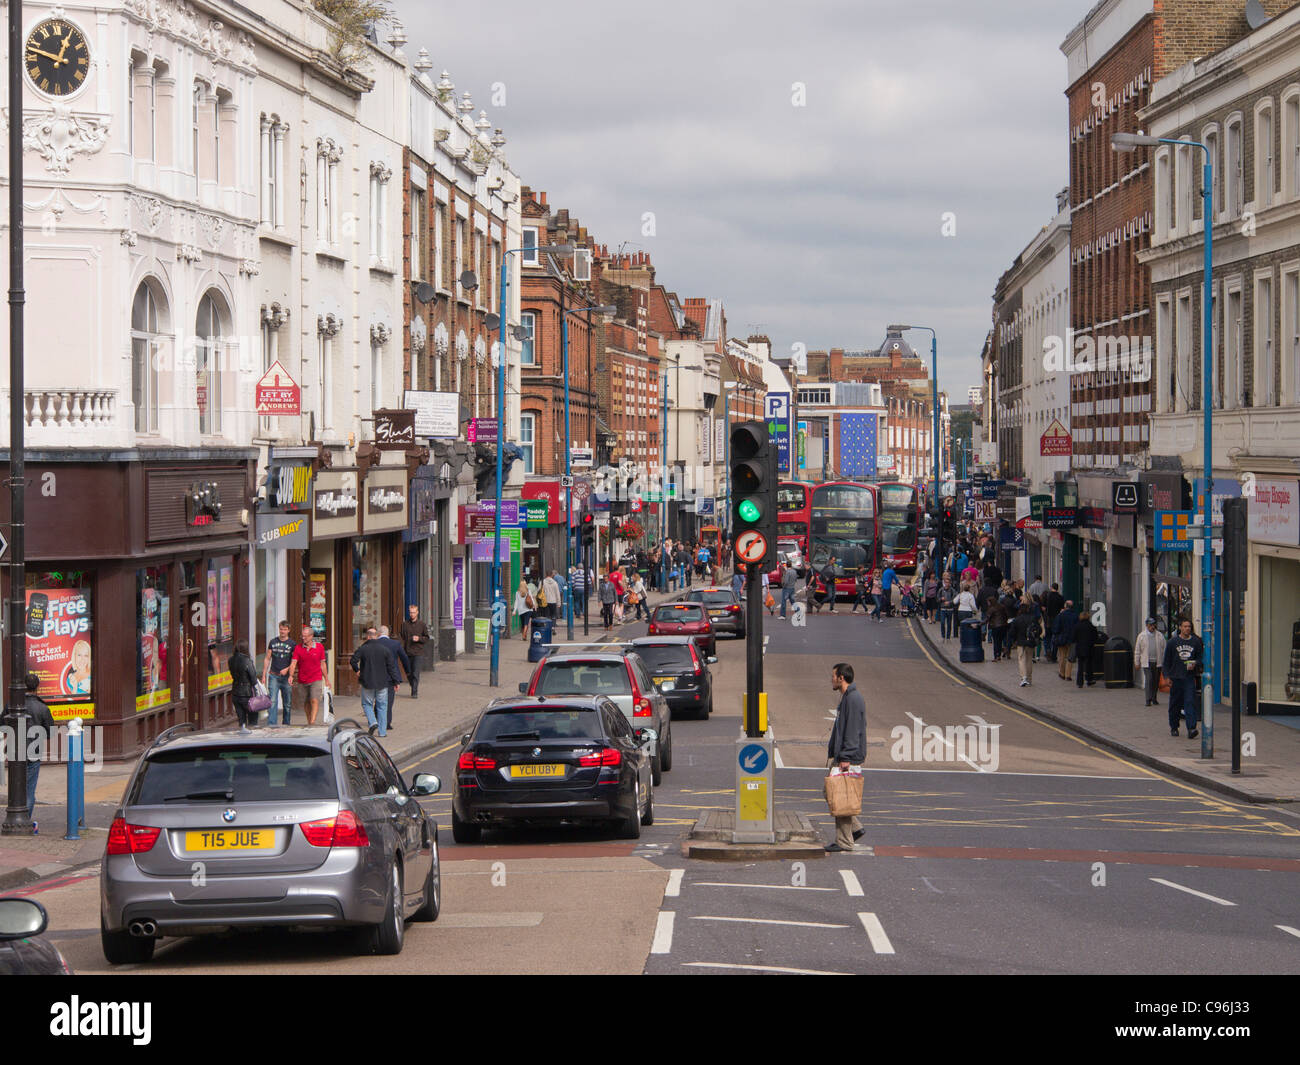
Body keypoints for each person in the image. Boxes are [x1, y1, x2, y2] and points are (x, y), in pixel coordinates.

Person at [826, 663, 867, 852]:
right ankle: (855, 828)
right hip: (844, 754)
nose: (832, 679)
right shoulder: (848, 697)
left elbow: (853, 730)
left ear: (842, 678)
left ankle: (845, 841)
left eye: (834, 676)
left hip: (847, 756)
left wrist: (846, 757)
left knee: (839, 795)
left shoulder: (853, 699)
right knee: (832, 792)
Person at [350, 627, 400, 738]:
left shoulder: (363, 648)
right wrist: (396, 681)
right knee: (382, 706)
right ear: (376, 636)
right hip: (382, 682)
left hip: (367, 682)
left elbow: (353, 660)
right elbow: (391, 667)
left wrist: (357, 670)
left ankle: (372, 722)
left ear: (367, 636)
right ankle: (382, 732)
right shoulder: (384, 649)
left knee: (367, 704)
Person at [1162, 618, 1204, 738]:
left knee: (1190, 702)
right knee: (1175, 704)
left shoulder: (1195, 642)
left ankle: (1191, 728)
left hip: (1189, 678)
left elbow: (1200, 659)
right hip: (1175, 677)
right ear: (1180, 627)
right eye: (1185, 626)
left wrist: (1195, 663)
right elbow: (1166, 661)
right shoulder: (1172, 642)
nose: (1187, 629)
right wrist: (1166, 676)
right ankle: (1174, 727)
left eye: (1189, 627)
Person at [22, 673, 55, 824]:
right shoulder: (42, 708)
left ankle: (18, 818)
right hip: (33, 753)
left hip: (15, 752)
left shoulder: (13, 705)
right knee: (29, 788)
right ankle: (25, 820)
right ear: (37, 687)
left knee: (17, 787)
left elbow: (2, 723)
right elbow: (50, 733)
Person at [289, 624, 328, 725]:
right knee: (306, 702)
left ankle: (312, 721)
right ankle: (309, 719)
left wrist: (326, 679)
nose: (303, 638)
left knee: (314, 700)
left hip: (316, 678)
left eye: (305, 636)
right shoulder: (298, 648)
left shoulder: (319, 647)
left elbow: (323, 664)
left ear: (311, 636)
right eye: (302, 636)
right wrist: (291, 675)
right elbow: (293, 663)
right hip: (303, 679)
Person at [262, 620, 296, 726]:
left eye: (285, 629)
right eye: (281, 629)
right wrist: (264, 674)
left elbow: (295, 661)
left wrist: (288, 669)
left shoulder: (292, 644)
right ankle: (272, 725)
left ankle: (286, 724)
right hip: (273, 675)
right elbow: (267, 658)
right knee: (272, 702)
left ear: (288, 631)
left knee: (287, 703)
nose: (282, 631)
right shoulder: (273, 642)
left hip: (286, 678)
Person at [377, 626, 411, 728]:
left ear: (378, 634)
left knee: (377, 698)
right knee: (389, 699)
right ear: (388, 634)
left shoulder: (374, 644)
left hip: (376, 675)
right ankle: (386, 722)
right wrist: (408, 672)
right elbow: (404, 658)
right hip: (391, 677)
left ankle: (377, 719)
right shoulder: (395, 644)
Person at [399, 604, 430, 699]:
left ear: (417, 613)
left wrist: (419, 638)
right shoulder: (405, 624)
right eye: (410, 612)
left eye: (413, 612)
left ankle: (414, 692)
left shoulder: (422, 624)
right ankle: (413, 684)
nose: (412, 614)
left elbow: (427, 638)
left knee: (416, 672)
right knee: (409, 673)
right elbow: (402, 637)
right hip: (407, 652)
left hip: (418, 653)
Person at [1134, 617, 1166, 707]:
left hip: (1158, 661)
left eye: (1153, 625)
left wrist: (1164, 661)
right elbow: (1137, 650)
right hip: (1146, 662)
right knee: (1149, 679)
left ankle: (1154, 698)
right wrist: (1137, 662)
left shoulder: (1160, 635)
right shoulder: (1141, 636)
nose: (1152, 627)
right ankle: (1148, 699)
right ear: (1147, 625)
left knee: (1156, 681)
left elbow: (1164, 649)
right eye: (1150, 625)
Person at [1008, 603, 1040, 687]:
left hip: (1021, 642)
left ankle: (1023, 678)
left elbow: (1011, 632)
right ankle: (1029, 678)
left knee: (1021, 660)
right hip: (1030, 642)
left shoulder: (1017, 620)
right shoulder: (1033, 618)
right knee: (1029, 660)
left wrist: (1014, 640)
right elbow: (1039, 629)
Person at [1051, 600, 1078, 680]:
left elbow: (1055, 628)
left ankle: (1062, 673)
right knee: (1070, 657)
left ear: (1065, 606)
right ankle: (1068, 675)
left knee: (1062, 656)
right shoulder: (1076, 616)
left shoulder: (1061, 615)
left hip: (1061, 638)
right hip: (1072, 639)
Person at [1074, 604, 1099, 688]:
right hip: (1089, 648)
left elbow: (1074, 637)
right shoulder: (1091, 626)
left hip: (1080, 648)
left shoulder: (1077, 626)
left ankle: (1079, 682)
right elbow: (1095, 637)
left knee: (1080, 665)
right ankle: (1089, 679)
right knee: (1089, 665)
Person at [987, 595, 1011, 661]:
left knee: (996, 642)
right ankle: (1005, 651)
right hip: (1003, 626)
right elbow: (1006, 615)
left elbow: (987, 619)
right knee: (1001, 641)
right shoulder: (1002, 606)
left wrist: (979, 624)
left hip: (995, 627)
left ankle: (996, 656)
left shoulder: (991, 609)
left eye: (988, 602)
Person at [938, 574, 956, 639]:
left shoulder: (952, 590)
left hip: (950, 609)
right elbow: (937, 599)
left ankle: (948, 636)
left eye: (948, 582)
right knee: (942, 622)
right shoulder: (941, 590)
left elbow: (954, 599)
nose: (947, 584)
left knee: (949, 624)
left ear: (950, 583)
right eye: (946, 582)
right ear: (944, 583)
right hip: (943, 609)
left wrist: (949, 602)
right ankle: (943, 635)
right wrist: (941, 599)